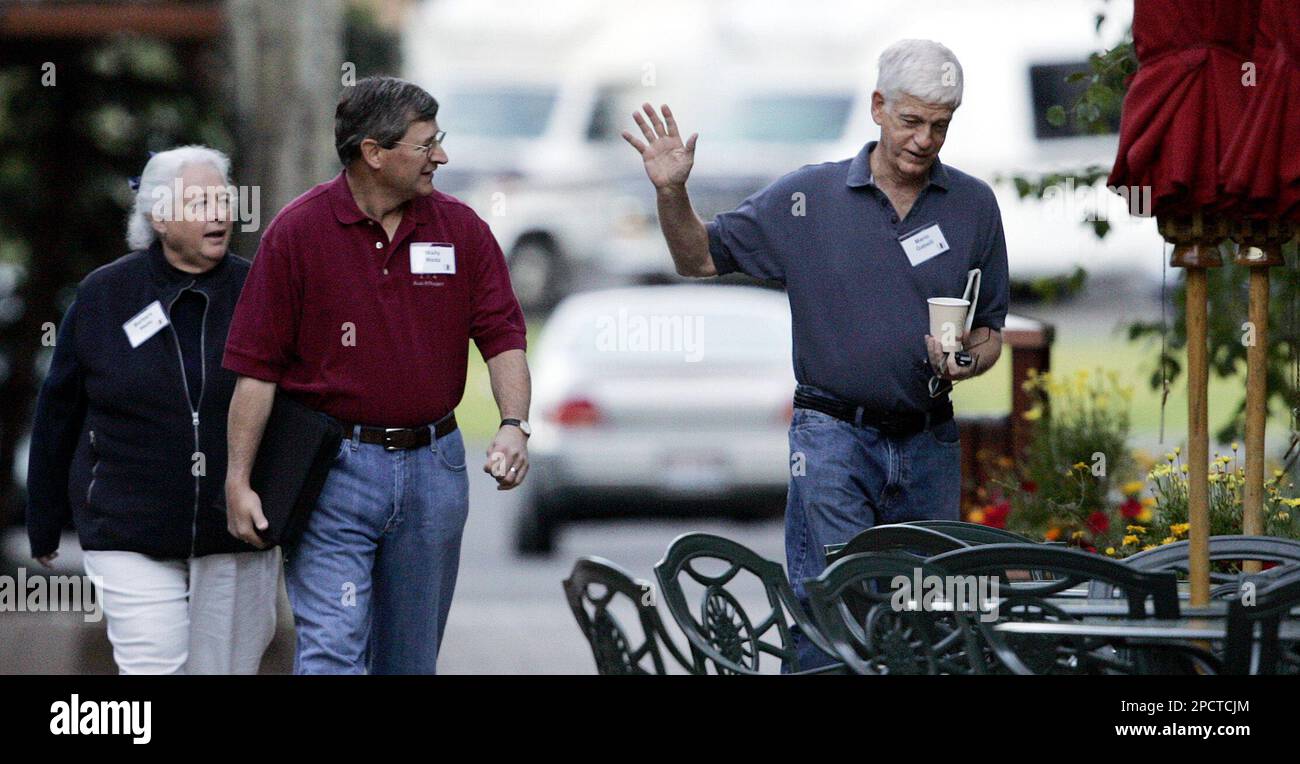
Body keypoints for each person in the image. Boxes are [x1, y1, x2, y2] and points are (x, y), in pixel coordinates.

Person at [623, 39, 1010, 670]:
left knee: (924, 617)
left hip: (929, 441)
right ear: (878, 107)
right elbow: (696, 257)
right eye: (911, 121)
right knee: (832, 608)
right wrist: (672, 194)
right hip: (833, 436)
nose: (924, 140)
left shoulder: (973, 205)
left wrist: (967, 360)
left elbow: (989, 329)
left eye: (940, 126)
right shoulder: (808, 198)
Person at [222, 76, 531, 675]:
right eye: (425, 144)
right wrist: (238, 479)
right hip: (334, 469)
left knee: (408, 662)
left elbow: (504, 338)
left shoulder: (461, 229)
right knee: (333, 652)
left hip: (436, 468)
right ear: (373, 152)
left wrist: (514, 424)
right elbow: (256, 370)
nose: (440, 156)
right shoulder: (297, 232)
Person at [26, 146, 280, 674]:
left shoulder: (259, 289)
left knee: (226, 670)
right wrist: (45, 519)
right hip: (128, 528)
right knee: (153, 668)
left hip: (231, 531)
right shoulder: (104, 295)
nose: (218, 214)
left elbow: (298, 405)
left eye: (223, 200)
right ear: (160, 217)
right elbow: (59, 412)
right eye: (201, 202)